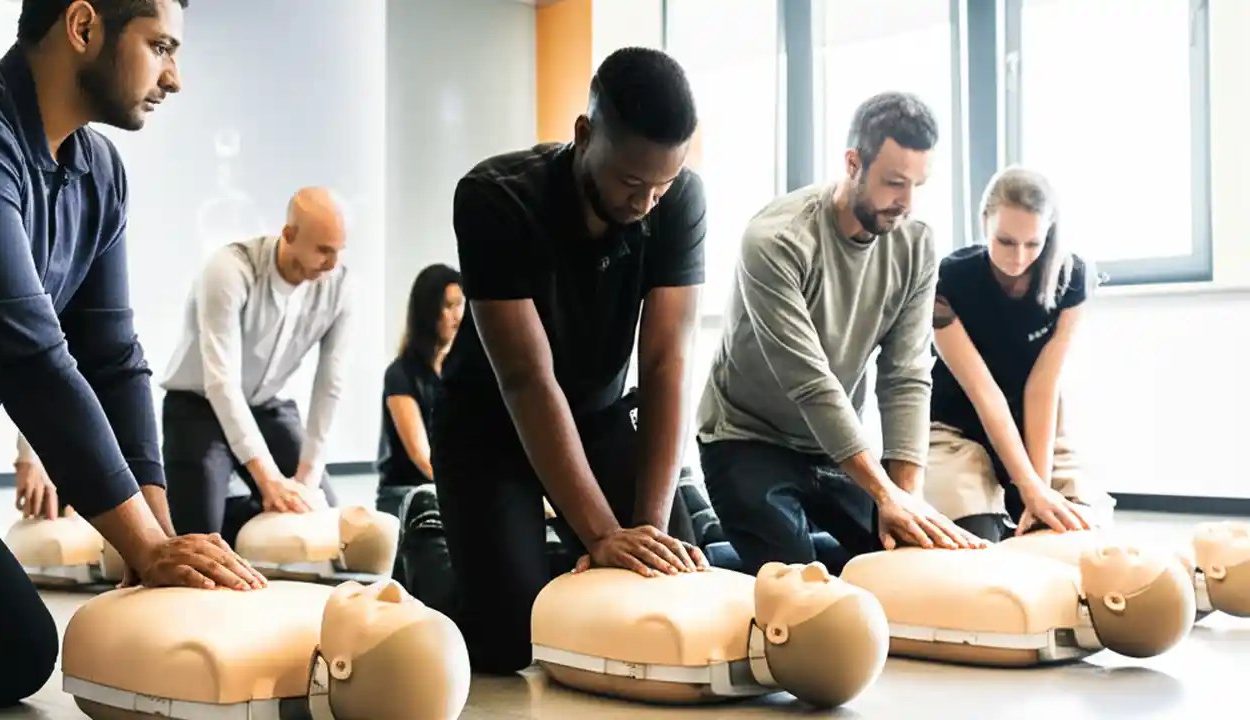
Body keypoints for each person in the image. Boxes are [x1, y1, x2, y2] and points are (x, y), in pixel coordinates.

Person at [0, 0, 264, 708]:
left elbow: (113, 357)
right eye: (161, 46)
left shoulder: (99, 172)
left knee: (16, 653)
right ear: (83, 27)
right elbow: (33, 357)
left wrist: (159, 543)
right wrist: (142, 546)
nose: (175, 77)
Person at [432, 47, 709, 674]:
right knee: (507, 640)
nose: (646, 203)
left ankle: (551, 559)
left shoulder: (679, 200)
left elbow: (666, 362)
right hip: (490, 425)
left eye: (662, 186)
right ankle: (432, 536)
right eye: (632, 183)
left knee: (675, 587)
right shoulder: (496, 197)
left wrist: (646, 532)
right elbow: (527, 380)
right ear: (584, 135)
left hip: (599, 416)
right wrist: (605, 536)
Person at [695, 92, 987, 578]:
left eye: (918, 185)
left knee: (900, 559)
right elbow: (811, 384)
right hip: (746, 437)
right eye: (894, 183)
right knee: (800, 581)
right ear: (853, 164)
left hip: (830, 446)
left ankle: (752, 538)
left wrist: (905, 500)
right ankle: (706, 543)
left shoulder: (916, 245)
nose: (907, 203)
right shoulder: (776, 241)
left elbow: (907, 377)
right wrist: (882, 493)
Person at [923, 166, 1110, 542]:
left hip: (1037, 426)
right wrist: (1030, 489)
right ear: (984, 222)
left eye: (1032, 243)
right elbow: (983, 391)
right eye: (1005, 241)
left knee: (1075, 530)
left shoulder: (1071, 278)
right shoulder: (948, 280)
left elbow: (1043, 387)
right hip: (959, 428)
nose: (1018, 256)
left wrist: (1038, 493)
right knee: (976, 538)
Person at [158, 186, 354, 544]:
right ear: (289, 235)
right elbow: (221, 383)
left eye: (339, 251)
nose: (333, 264)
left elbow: (330, 385)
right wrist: (269, 481)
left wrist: (305, 481)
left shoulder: (339, 285)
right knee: (200, 540)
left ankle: (246, 514)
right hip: (197, 407)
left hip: (265, 406)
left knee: (323, 524)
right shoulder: (229, 270)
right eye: (324, 251)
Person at [375, 264, 463, 517]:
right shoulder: (400, 375)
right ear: (429, 313)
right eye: (448, 306)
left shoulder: (456, 371)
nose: (458, 315)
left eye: (460, 304)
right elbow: (422, 457)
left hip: (442, 487)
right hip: (404, 494)